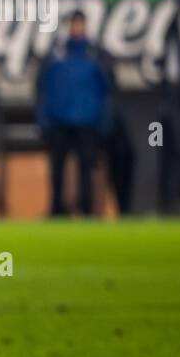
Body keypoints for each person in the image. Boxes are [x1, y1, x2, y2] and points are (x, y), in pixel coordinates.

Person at [37, 12, 111, 216]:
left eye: (80, 24)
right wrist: (43, 120)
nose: (77, 28)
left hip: (87, 122)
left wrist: (104, 124)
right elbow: (42, 89)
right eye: (74, 24)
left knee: (86, 170)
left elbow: (107, 92)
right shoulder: (55, 55)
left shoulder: (96, 55)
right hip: (58, 120)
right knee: (57, 171)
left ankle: (87, 210)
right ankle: (57, 210)